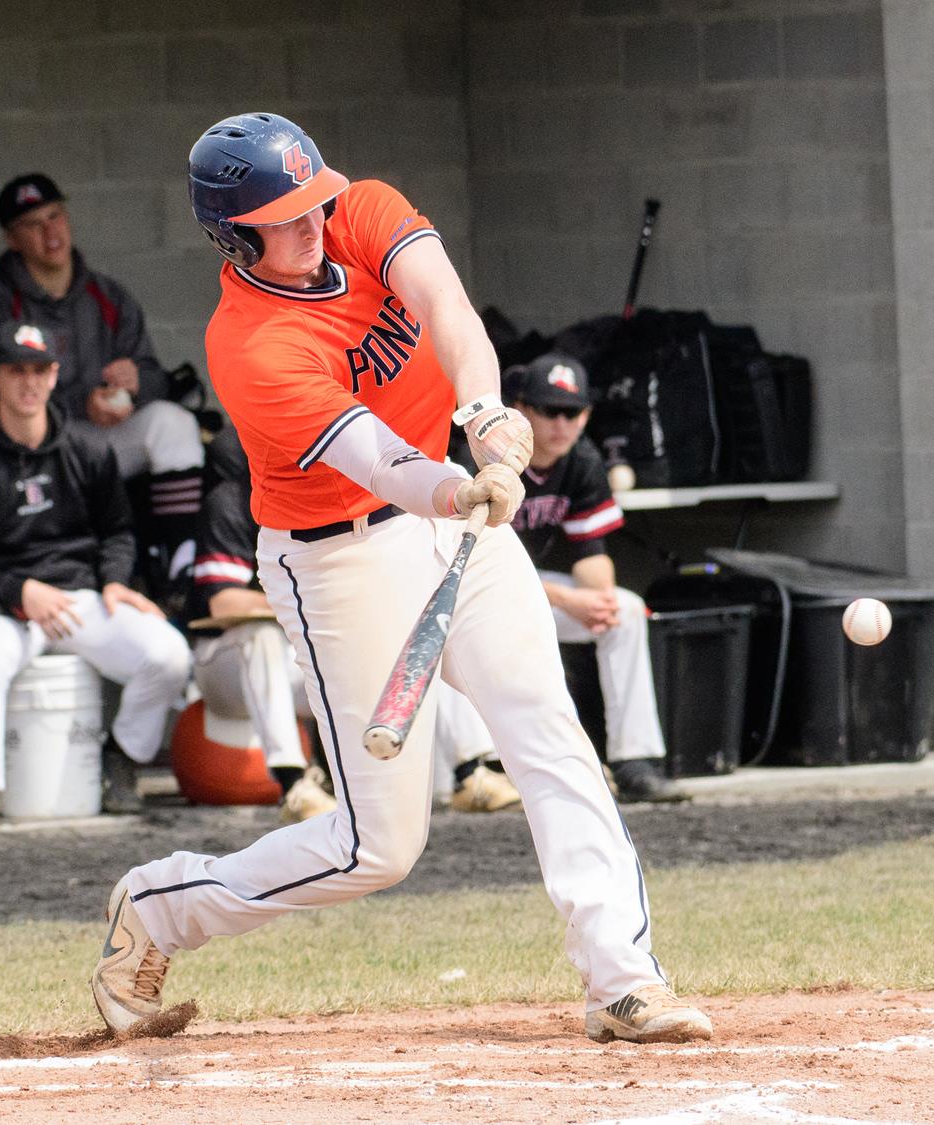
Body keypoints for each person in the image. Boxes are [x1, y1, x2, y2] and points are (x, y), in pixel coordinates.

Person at [91, 113, 711, 1045]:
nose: (312, 222)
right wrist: (464, 482)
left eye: (312, 202)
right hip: (336, 555)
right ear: (233, 233)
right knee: (377, 846)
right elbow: (378, 463)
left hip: (455, 518)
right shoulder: (251, 344)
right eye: (284, 216)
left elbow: (449, 311)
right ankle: (161, 905)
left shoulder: (361, 210)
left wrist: (485, 411)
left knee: (546, 730)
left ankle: (623, 979)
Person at [0, 319, 193, 831]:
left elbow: (118, 529)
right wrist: (21, 592)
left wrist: (116, 580)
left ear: (54, 376)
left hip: (78, 601)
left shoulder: (87, 448)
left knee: (168, 654)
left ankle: (121, 759)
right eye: (15, 371)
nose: (28, 383)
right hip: (4, 609)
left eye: (39, 370)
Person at [436, 353, 687, 803]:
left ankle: (635, 761)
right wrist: (567, 601)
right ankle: (478, 771)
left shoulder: (582, 461)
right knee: (452, 625)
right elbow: (464, 562)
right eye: (549, 410)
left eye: (572, 412)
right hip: (473, 589)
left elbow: (593, 556)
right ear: (520, 409)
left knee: (624, 611)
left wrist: (600, 599)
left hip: (536, 589)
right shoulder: (476, 458)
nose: (561, 424)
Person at [0, 174, 205, 576]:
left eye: (55, 216)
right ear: (11, 239)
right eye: (33, 224)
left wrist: (137, 384)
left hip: (105, 439)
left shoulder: (108, 294)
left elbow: (158, 378)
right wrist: (80, 404)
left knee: (172, 423)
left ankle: (181, 564)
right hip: (38, 448)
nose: (50, 231)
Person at [190, 425, 340, 824]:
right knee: (260, 635)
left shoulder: (309, 500)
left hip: (290, 664)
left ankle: (466, 773)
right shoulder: (228, 502)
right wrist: (302, 602)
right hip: (221, 665)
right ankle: (293, 783)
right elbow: (224, 603)